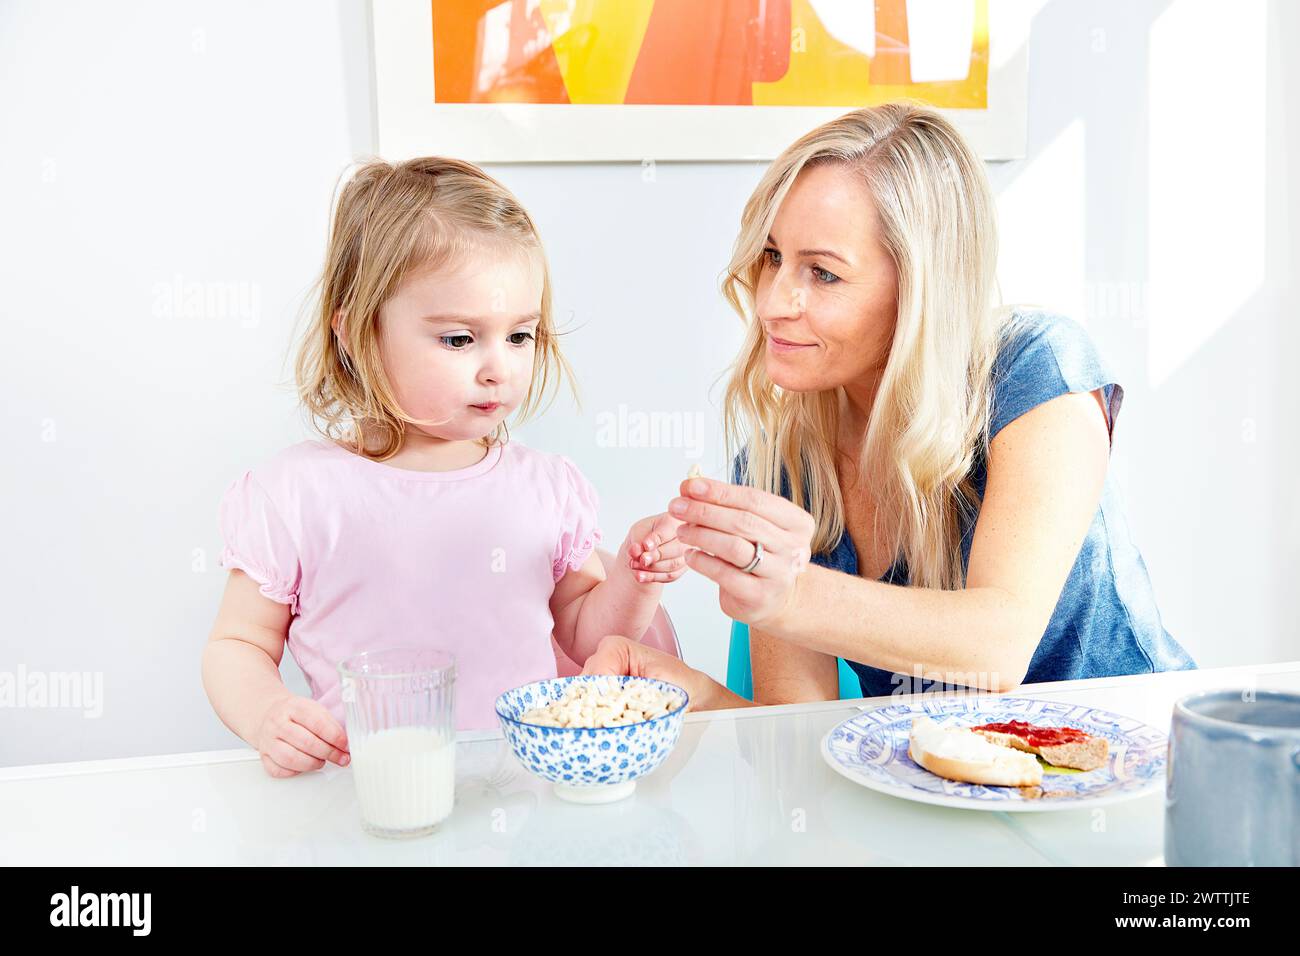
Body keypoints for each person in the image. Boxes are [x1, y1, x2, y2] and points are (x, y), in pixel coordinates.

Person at [584, 102, 1196, 708]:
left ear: (919, 290)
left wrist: (789, 594)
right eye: (773, 257)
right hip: (952, 794)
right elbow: (801, 740)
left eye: (822, 273)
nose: (772, 302)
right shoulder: (783, 463)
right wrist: (685, 695)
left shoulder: (1036, 371)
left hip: (1140, 763)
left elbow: (998, 647)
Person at [201, 157, 686, 777]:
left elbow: (584, 639)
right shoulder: (295, 495)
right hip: (374, 798)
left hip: (524, 795)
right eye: (460, 339)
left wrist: (636, 582)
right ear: (356, 335)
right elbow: (237, 643)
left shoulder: (545, 490)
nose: (499, 368)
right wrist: (266, 713)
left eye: (520, 336)